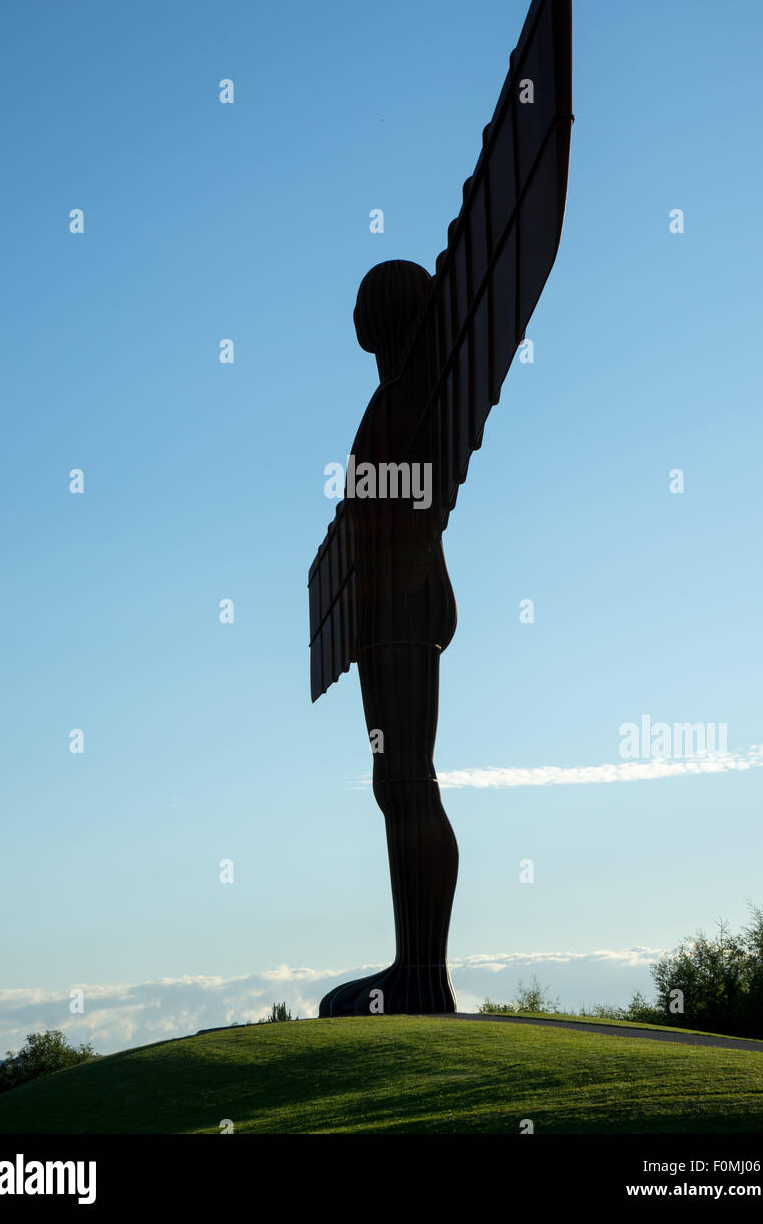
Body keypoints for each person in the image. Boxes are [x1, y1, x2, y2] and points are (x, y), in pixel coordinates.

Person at [319, 261, 459, 1017]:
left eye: (367, 308)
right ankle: (415, 965)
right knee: (394, 781)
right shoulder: (393, 396)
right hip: (388, 615)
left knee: (408, 780)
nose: (359, 327)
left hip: (401, 611)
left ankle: (423, 975)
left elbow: (410, 508)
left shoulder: (412, 395)